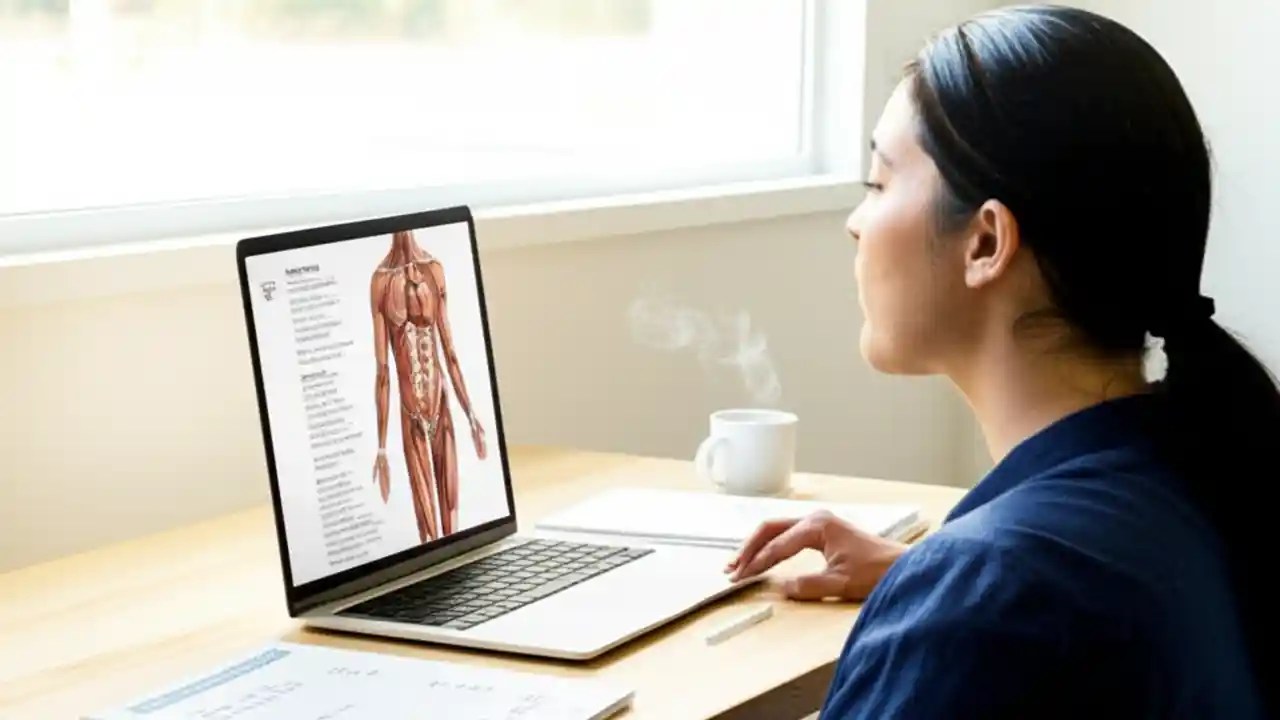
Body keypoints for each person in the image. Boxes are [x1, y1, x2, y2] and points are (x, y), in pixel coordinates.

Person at [726, 6, 1274, 718]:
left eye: (879, 184)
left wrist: (951, 600)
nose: (855, 222)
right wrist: (924, 582)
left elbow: (1019, 608)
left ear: (986, 243)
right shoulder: (1202, 469)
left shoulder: (998, 591)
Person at [371, 230, 488, 543]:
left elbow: (449, 350)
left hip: (442, 405)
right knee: (428, 533)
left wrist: (471, 414)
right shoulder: (381, 281)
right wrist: (381, 448)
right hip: (411, 415)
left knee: (452, 520)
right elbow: (382, 370)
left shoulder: (433, 268)